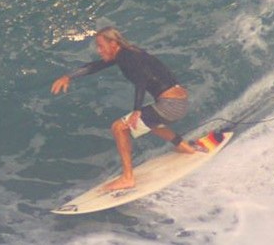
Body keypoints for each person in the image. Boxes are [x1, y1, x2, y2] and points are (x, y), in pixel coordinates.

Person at [51, 26, 199, 192]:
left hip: (170, 105)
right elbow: (95, 66)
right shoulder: (129, 53)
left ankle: (128, 178)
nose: (99, 50)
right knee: (148, 122)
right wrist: (68, 76)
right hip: (178, 102)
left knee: (119, 127)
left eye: (101, 46)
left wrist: (137, 110)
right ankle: (183, 147)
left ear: (113, 43)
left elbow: (141, 79)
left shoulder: (126, 57)